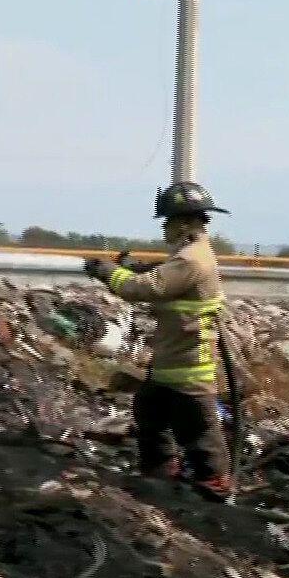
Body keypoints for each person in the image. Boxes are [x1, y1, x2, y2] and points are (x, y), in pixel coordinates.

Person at [84, 182, 233, 502]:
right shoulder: (187, 256)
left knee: (199, 431)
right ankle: (160, 480)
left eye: (168, 221)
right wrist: (136, 268)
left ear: (183, 222)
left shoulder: (193, 259)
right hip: (171, 361)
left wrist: (107, 272)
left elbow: (142, 289)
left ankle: (216, 490)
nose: (165, 228)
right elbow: (163, 274)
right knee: (149, 410)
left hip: (189, 367)